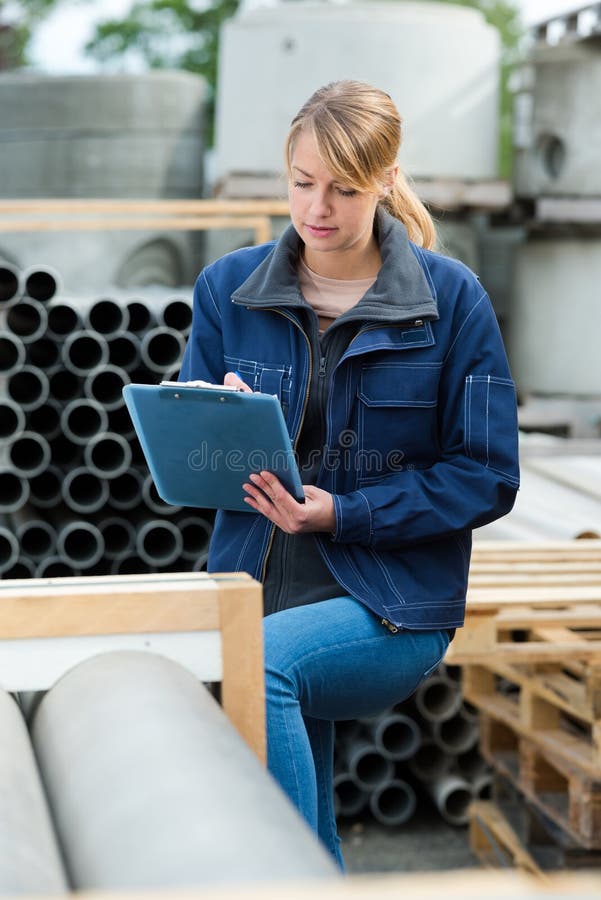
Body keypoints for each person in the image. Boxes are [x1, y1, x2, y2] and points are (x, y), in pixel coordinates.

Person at [179, 80, 520, 867]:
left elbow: (487, 474)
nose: (317, 207)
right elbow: (193, 468)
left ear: (388, 179)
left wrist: (344, 513)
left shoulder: (451, 302)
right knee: (287, 785)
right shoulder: (227, 291)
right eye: (302, 183)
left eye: (343, 187)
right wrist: (217, 432)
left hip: (388, 601)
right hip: (255, 587)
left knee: (262, 667)